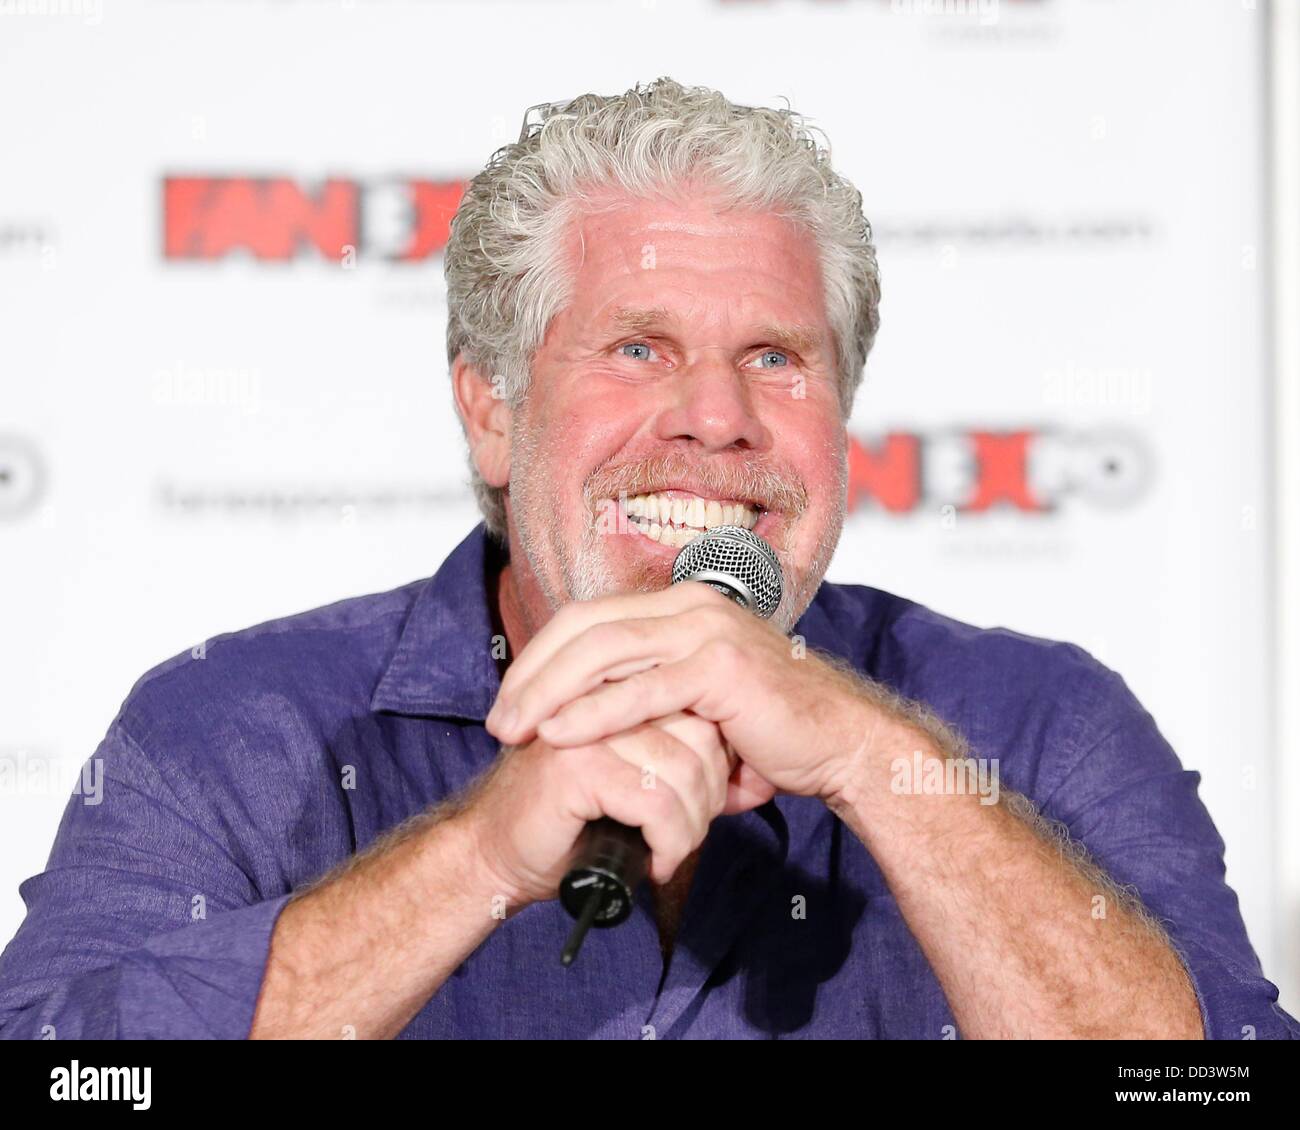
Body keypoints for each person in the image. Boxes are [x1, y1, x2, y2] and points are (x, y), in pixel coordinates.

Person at [1, 77, 1293, 1040]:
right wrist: (479, 858)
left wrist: (865, 756)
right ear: (492, 408)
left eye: (775, 358)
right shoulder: (234, 729)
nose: (717, 417)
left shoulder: (1041, 721)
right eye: (640, 349)